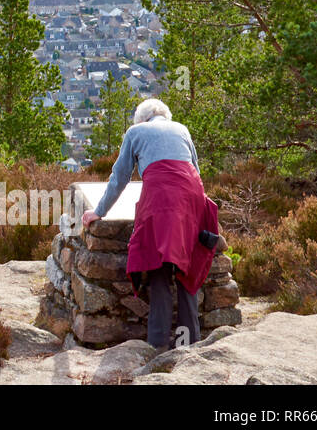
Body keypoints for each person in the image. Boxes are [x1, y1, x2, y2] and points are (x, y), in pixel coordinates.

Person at [80, 98, 225, 351]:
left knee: (158, 265)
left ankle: (157, 346)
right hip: (191, 197)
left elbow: (120, 177)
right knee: (186, 267)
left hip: (159, 198)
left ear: (141, 118)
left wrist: (99, 211)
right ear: (164, 116)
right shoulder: (182, 129)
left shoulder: (135, 132)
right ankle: (188, 344)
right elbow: (195, 170)